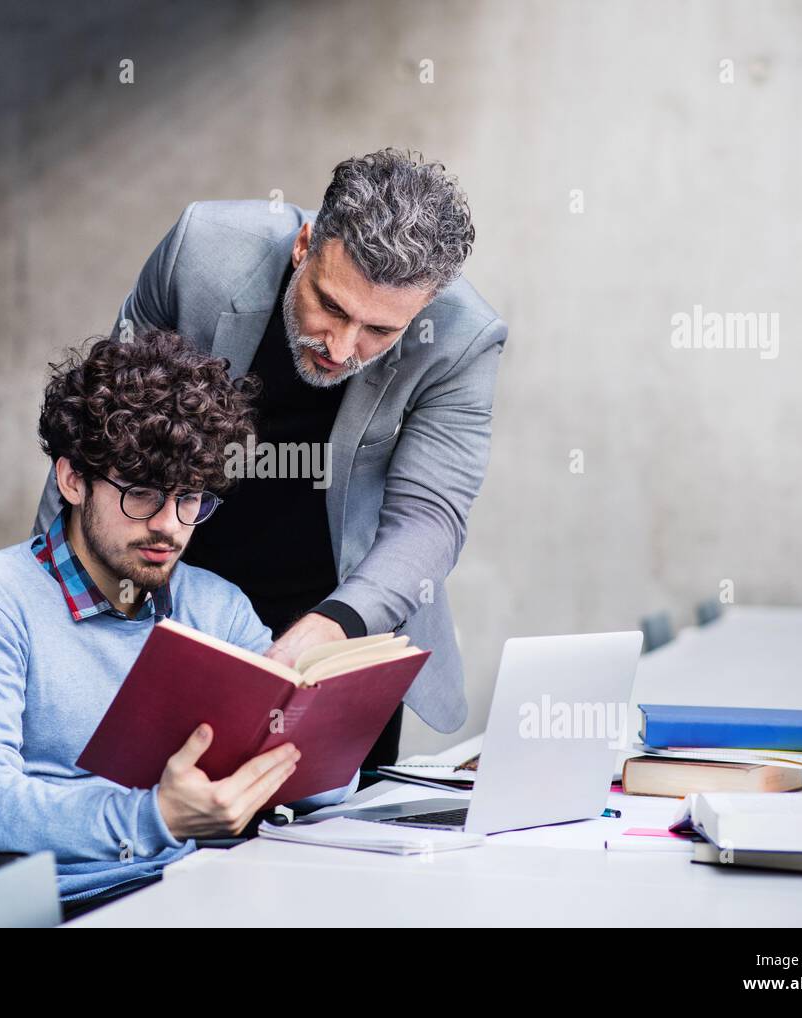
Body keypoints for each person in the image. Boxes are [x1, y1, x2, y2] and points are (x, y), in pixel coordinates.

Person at [33, 149, 507, 776]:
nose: (341, 348)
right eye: (331, 307)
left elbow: (431, 517)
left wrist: (337, 624)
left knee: (323, 843)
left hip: (342, 611)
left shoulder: (463, 338)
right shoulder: (202, 251)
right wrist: (45, 607)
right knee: (149, 821)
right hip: (172, 587)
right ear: (305, 244)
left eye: (379, 332)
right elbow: (103, 430)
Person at [0, 330, 357, 911]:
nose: (169, 526)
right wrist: (154, 818)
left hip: (193, 895)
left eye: (189, 498)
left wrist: (330, 737)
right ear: (73, 480)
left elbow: (323, 783)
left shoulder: (216, 607)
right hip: (46, 907)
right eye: (142, 494)